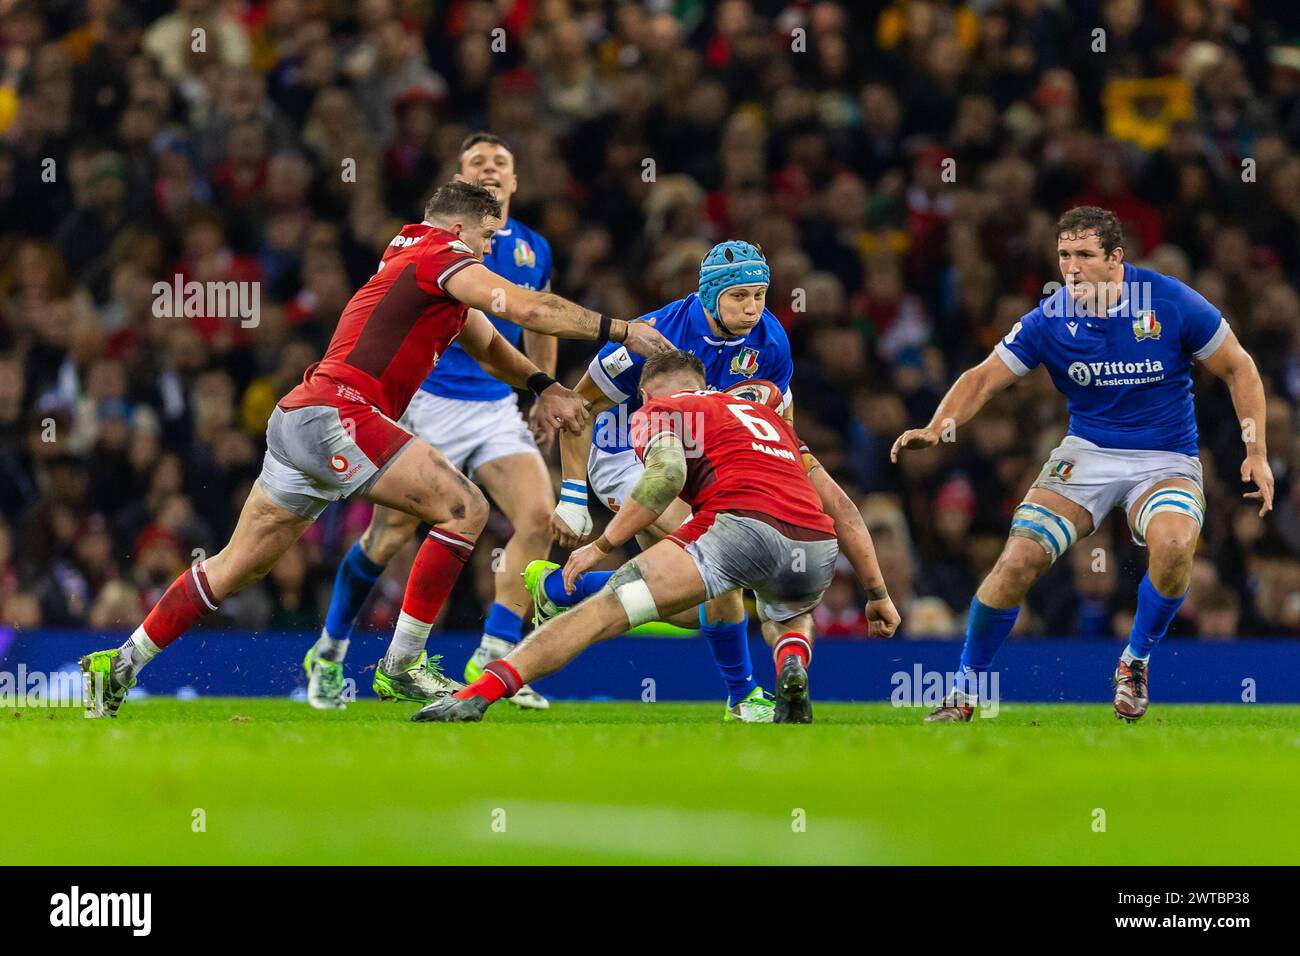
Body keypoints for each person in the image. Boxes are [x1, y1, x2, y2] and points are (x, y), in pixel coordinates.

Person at [79, 180, 670, 718]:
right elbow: (529, 308)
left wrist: (544, 387)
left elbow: (490, 347)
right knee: (465, 508)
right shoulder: (442, 255)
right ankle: (403, 664)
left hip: (300, 416)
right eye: (487, 238)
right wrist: (622, 330)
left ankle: (121, 663)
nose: (489, 251)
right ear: (460, 230)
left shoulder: (414, 263)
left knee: (239, 564)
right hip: (340, 411)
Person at [892, 206, 1274, 722]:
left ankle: (1133, 662)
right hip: (1086, 453)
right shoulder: (1050, 317)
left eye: (1085, 256)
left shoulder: (1169, 300)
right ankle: (965, 689)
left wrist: (1256, 452)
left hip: (1164, 457)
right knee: (1017, 561)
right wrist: (938, 426)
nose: (1071, 268)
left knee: (1176, 544)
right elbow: (983, 377)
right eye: (1064, 255)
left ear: (1116, 258)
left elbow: (1240, 368)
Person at [411, 351, 901, 724]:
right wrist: (877, 593)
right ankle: (791, 660)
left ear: (645, 397)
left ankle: (479, 694)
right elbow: (844, 509)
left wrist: (601, 545)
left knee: (604, 613)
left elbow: (665, 475)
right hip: (814, 547)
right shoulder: (768, 418)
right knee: (787, 608)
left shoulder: (660, 412)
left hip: (738, 528)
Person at [306, 132, 560, 711]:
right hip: (428, 400)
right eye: (478, 162)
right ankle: (330, 650)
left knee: (537, 517)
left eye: (502, 162)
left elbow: (540, 322)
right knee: (389, 536)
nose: (491, 168)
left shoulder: (533, 248)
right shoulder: (427, 243)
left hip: (496, 407)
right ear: (462, 179)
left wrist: (541, 391)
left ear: (516, 182)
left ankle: (494, 654)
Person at [524, 240, 797, 721]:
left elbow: (778, 410)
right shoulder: (655, 336)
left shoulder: (770, 342)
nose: (751, 308)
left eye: (759, 295)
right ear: (710, 296)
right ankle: (744, 697)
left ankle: (566, 589)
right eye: (739, 297)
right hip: (625, 454)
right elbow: (577, 407)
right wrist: (571, 494)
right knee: (718, 552)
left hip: (697, 460)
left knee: (694, 603)